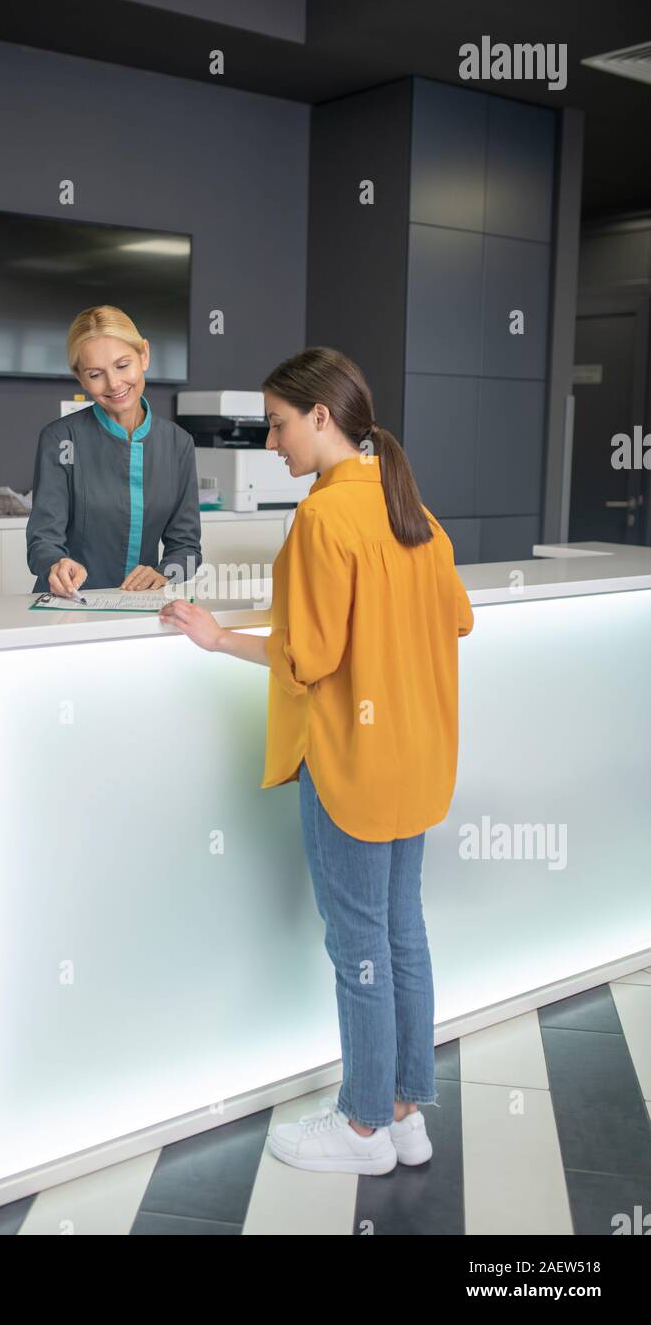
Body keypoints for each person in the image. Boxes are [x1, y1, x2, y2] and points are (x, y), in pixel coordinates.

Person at [159, 346, 474, 1176]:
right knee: (403, 932)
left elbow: (309, 659)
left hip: (350, 764)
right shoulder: (414, 510)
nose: (271, 443)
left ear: (322, 418)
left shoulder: (325, 519)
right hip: (417, 758)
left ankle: (364, 1128)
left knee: (359, 944)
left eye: (278, 424)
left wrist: (220, 637)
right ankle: (407, 1112)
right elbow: (458, 620)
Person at [26, 305, 202, 596]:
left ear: (144, 355)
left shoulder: (178, 444)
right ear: (79, 377)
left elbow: (187, 549)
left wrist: (162, 573)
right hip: (70, 605)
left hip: (140, 607)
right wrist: (55, 563)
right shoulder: (60, 438)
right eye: (96, 374)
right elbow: (42, 542)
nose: (114, 384)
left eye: (122, 365)